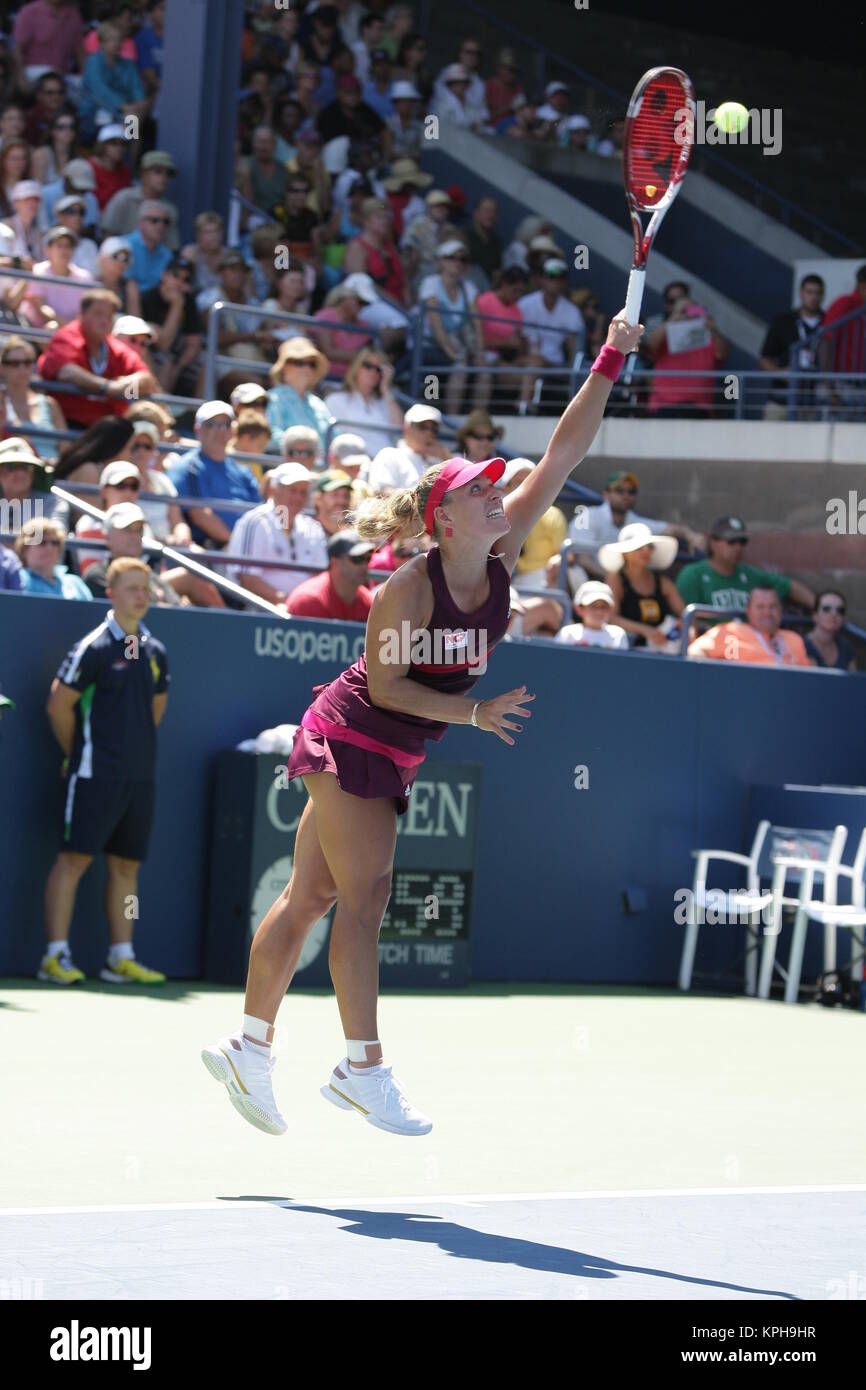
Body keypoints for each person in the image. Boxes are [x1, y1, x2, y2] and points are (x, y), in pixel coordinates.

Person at [200, 305, 642, 1137]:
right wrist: (474, 711)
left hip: (401, 746)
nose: (498, 493)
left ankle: (247, 1049)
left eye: (494, 485)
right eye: (480, 489)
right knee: (363, 900)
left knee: (311, 895)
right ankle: (362, 1070)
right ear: (443, 519)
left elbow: (565, 450)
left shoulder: (503, 554)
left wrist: (610, 359)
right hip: (353, 733)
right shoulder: (407, 588)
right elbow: (393, 688)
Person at [40, 556, 169, 985]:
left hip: (139, 778)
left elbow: (154, 711)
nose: (141, 596)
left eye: (146, 589)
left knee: (128, 867)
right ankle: (55, 954)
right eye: (132, 588)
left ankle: (121, 954)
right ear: (111, 594)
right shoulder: (93, 648)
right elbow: (59, 705)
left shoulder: (154, 652)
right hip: (94, 773)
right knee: (74, 860)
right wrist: (77, 754)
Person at [37, 288, 157, 429]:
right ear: (82, 314)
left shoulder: (115, 347)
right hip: (67, 423)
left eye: (109, 316)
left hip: (109, 427)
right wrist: (106, 387)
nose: (104, 320)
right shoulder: (66, 337)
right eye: (98, 314)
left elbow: (146, 380)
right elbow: (66, 372)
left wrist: (121, 386)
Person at [567, 470, 701, 584]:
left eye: (631, 491)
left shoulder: (634, 521)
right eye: (620, 490)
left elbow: (669, 529)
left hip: (619, 585)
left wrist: (690, 535)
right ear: (606, 495)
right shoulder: (588, 516)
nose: (626, 495)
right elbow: (583, 560)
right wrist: (615, 579)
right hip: (589, 582)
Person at [676, 515, 815, 621]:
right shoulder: (693, 575)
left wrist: (820, 609)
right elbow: (682, 618)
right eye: (731, 541)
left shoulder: (751, 575)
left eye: (742, 541)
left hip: (749, 647)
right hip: (709, 648)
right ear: (713, 543)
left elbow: (791, 587)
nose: (738, 547)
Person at [229, 460, 327, 606]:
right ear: (273, 491)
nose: (298, 497)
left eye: (303, 492)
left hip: (305, 610)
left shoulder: (313, 528)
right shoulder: (255, 522)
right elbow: (247, 579)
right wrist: (289, 603)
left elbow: (321, 579)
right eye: (292, 490)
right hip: (262, 611)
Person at [167, 401, 260, 548]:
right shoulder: (188, 468)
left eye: (225, 425)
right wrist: (238, 545)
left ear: (232, 431)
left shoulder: (243, 470)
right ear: (198, 430)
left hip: (246, 548)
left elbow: (258, 510)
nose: (220, 431)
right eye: (211, 425)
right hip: (213, 551)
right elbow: (200, 516)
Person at [420, 239, 488, 415]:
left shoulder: (468, 287)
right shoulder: (431, 283)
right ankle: (453, 418)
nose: (457, 262)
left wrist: (479, 354)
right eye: (452, 257)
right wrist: (454, 354)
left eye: (462, 259)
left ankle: (478, 418)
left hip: (461, 345)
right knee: (461, 366)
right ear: (440, 261)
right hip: (432, 346)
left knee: (484, 370)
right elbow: (435, 323)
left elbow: (476, 324)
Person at [643, 282, 729, 418]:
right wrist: (674, 318)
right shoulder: (662, 330)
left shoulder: (706, 328)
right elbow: (650, 346)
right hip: (664, 406)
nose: (680, 303)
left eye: (682, 297)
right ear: (667, 305)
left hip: (700, 407)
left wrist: (710, 326)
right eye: (673, 301)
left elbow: (722, 352)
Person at [598, 522, 684, 650]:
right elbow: (611, 618)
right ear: (624, 554)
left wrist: (689, 626)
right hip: (625, 650)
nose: (646, 551)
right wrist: (646, 631)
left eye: (650, 546)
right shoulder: (615, 579)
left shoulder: (663, 583)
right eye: (639, 547)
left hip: (661, 651)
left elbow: (685, 613)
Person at [687, 585, 811, 667]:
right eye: (760, 607)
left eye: (773, 606)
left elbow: (808, 676)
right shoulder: (731, 633)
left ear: (780, 610)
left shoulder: (794, 639)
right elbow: (695, 652)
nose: (767, 613)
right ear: (748, 610)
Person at [475, 265, 542, 411]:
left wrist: (518, 345)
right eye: (515, 290)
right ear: (504, 284)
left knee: (536, 361)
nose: (517, 295)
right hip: (485, 356)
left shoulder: (516, 310)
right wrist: (505, 343)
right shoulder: (484, 301)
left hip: (507, 357)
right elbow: (474, 340)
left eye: (521, 292)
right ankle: (524, 406)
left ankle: (523, 405)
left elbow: (517, 344)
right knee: (529, 380)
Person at [499, 458, 571, 594]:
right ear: (505, 487)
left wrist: (558, 560)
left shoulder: (553, 515)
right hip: (503, 577)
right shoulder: (495, 515)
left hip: (541, 577)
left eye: (530, 480)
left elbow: (566, 555)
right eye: (519, 481)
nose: (526, 486)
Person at [759, 274, 825, 420]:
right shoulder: (783, 321)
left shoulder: (829, 322)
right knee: (769, 442)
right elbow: (764, 359)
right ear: (800, 293)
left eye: (818, 293)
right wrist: (781, 373)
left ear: (823, 295)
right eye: (809, 292)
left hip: (813, 402)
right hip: (780, 400)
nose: (813, 297)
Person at [517, 259, 584, 398]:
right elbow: (517, 338)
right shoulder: (525, 304)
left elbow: (575, 349)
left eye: (560, 277)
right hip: (526, 361)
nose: (555, 281)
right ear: (541, 279)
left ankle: (524, 408)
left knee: (537, 363)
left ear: (565, 282)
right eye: (551, 276)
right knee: (535, 362)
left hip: (555, 366)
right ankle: (524, 409)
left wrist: (572, 374)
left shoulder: (571, 311)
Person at [321, 344, 403, 454]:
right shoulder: (336, 400)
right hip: (355, 461)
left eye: (379, 369)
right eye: (368, 366)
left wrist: (386, 390)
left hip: (386, 460)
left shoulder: (385, 402)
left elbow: (399, 431)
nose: (373, 372)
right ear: (356, 367)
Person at [140, 256, 203, 396]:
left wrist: (179, 367)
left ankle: (202, 415)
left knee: (207, 366)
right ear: (164, 275)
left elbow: (194, 344)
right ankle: (160, 407)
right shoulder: (149, 298)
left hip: (179, 359)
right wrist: (177, 305)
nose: (179, 282)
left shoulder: (189, 301)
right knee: (166, 361)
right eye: (176, 275)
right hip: (151, 353)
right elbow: (163, 344)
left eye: (186, 280)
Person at [284, 527, 375, 619]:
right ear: (335, 562)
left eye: (368, 559)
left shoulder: (369, 603)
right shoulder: (309, 600)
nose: (365, 566)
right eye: (357, 559)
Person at [79, 21, 150, 139]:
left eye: (119, 40)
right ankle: (126, 146)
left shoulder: (128, 64)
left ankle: (129, 152)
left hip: (125, 111)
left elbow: (136, 89)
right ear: (101, 43)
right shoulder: (93, 61)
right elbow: (99, 90)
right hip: (95, 110)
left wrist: (138, 103)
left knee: (134, 119)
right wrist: (123, 106)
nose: (116, 43)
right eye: (111, 40)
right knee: (131, 120)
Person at [100, 149, 180, 249]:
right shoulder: (125, 198)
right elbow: (106, 233)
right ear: (143, 174)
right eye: (158, 171)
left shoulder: (169, 210)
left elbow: (171, 247)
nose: (163, 177)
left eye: (168, 173)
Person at [266, 337, 333, 453]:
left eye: (311, 364)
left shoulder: (318, 403)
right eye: (299, 362)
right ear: (285, 367)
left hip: (322, 466)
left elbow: (333, 437)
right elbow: (269, 437)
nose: (306, 368)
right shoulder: (271, 398)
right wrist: (304, 449)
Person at [20, 223, 91, 328]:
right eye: (59, 246)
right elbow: (41, 307)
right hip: (35, 331)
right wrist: (68, 329)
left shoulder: (84, 277)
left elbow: (86, 311)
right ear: (48, 250)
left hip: (71, 332)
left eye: (68, 246)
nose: (64, 251)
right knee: (52, 327)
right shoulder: (37, 271)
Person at [342, 195, 407, 306]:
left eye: (387, 217)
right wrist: (395, 304)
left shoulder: (389, 245)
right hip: (370, 304)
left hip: (398, 304)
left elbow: (403, 280)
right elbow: (360, 286)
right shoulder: (357, 247)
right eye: (379, 217)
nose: (385, 221)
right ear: (366, 221)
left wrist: (408, 305)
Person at [820, 264, 866, 418]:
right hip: (841, 387)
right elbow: (826, 341)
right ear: (862, 285)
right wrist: (829, 388)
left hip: (860, 387)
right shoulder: (846, 303)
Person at [367, 402, 445, 492]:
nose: (429, 433)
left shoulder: (438, 462)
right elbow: (380, 491)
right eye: (422, 427)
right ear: (406, 429)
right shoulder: (390, 455)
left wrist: (445, 457)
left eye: (433, 429)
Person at [0, 335, 67, 433]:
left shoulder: (50, 404)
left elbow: (65, 445)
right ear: (2, 368)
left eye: (27, 362)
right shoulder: (1, 403)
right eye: (14, 363)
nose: (22, 368)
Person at [16, 515, 92, 598]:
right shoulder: (17, 579)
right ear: (24, 549)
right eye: (42, 542)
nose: (50, 548)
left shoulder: (75, 582)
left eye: (55, 543)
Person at [310, 282, 373, 377]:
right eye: (360, 302)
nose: (362, 306)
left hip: (353, 380)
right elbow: (328, 351)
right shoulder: (325, 316)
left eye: (366, 304)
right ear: (345, 298)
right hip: (325, 377)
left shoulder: (365, 325)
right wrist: (361, 356)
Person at [400, 187, 456, 291]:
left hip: (444, 273)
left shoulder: (450, 229)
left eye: (445, 206)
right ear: (429, 207)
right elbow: (409, 254)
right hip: (421, 271)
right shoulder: (418, 223)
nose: (442, 209)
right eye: (437, 206)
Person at [13, 0, 84, 81]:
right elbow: (17, 50)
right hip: (34, 74)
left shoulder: (73, 15)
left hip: (62, 75)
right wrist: (21, 78)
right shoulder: (30, 12)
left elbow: (80, 52)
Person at [555, 580, 628, 649]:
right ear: (579, 609)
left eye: (604, 607)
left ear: (611, 610)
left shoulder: (618, 635)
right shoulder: (568, 633)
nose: (599, 612)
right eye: (593, 606)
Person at [126, 199, 174, 294]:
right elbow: (123, 284)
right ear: (140, 223)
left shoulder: (167, 255)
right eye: (154, 220)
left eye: (165, 222)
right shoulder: (124, 246)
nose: (161, 226)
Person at [803, 591, 857, 672]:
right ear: (815, 615)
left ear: (844, 618)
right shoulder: (801, 644)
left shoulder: (846, 646)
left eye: (840, 610)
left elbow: (854, 681)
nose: (834, 614)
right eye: (826, 609)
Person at [87, 124, 132, 212]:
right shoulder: (88, 167)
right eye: (113, 143)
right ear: (102, 145)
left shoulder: (125, 172)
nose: (119, 148)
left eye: (123, 144)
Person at [30, 105, 79, 186]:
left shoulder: (77, 158)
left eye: (71, 127)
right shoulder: (41, 155)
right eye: (61, 127)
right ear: (52, 131)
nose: (68, 131)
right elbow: (37, 187)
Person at [94, 234, 141, 316]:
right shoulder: (90, 283)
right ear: (102, 258)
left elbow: (134, 319)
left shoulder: (130, 286)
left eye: (125, 258)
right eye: (116, 256)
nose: (121, 262)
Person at [464, 196, 502, 291]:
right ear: (476, 213)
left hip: (486, 290)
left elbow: (496, 272)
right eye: (487, 211)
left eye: (494, 212)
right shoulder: (463, 236)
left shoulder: (496, 242)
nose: (491, 215)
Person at [382, 79, 423, 162]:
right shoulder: (387, 123)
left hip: (414, 167)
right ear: (395, 103)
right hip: (392, 167)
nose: (406, 105)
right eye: (402, 102)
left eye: (409, 102)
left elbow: (421, 152)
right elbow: (388, 153)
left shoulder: (419, 126)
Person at [485, 48, 524, 127]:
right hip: (490, 132)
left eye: (513, 70)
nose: (511, 74)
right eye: (508, 69)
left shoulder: (518, 89)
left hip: (513, 131)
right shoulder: (487, 86)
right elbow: (484, 118)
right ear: (499, 68)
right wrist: (509, 108)